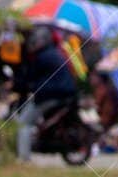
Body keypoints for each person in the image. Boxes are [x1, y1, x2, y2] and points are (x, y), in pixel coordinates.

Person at [16, 26, 77, 162]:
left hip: (49, 96)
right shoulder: (56, 53)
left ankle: (24, 158)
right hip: (66, 94)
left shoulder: (42, 57)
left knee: (23, 123)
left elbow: (29, 79)